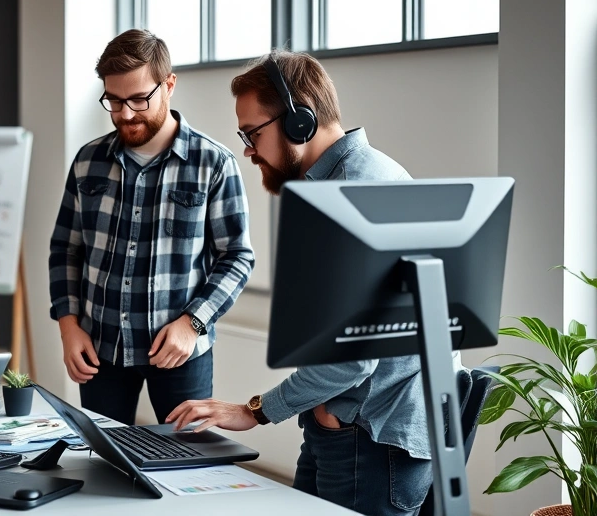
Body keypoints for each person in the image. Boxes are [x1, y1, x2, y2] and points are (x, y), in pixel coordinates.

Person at [166, 50, 435, 516]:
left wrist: (253, 410)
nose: (248, 150)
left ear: (299, 121)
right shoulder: (365, 174)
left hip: (367, 441)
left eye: (252, 133)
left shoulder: (351, 194)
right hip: (349, 430)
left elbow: (352, 359)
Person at [48, 29, 254, 426]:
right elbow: (65, 249)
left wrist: (193, 322)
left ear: (169, 85)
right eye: (114, 100)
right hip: (99, 348)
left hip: (179, 352)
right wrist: (68, 326)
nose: (126, 113)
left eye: (139, 99)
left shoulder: (214, 163)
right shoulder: (88, 161)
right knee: (102, 462)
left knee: (188, 464)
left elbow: (237, 256)